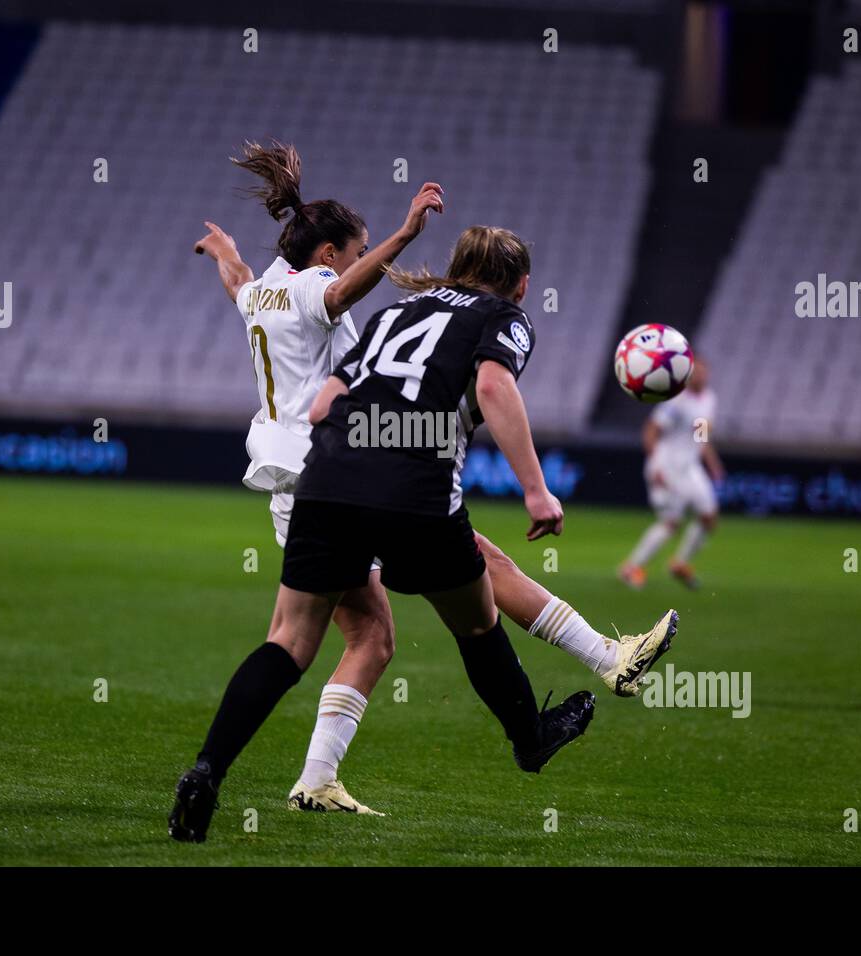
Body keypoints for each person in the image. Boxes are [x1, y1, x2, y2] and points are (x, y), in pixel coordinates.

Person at [196, 143, 674, 817]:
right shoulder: (316, 291)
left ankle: (287, 777)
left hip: (315, 476)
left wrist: (226, 256)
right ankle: (598, 666)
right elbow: (341, 295)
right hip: (356, 463)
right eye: (359, 248)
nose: (371, 260)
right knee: (470, 585)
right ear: (332, 251)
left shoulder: (273, 297)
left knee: (349, 638)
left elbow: (248, 291)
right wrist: (403, 233)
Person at [619, 360, 724, 591]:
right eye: (697, 371)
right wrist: (656, 466)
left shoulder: (709, 399)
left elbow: (701, 437)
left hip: (691, 467)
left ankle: (680, 563)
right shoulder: (676, 400)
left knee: (709, 518)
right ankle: (631, 567)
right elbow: (651, 431)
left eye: (704, 371)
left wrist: (713, 464)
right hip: (668, 466)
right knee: (671, 523)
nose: (701, 375)